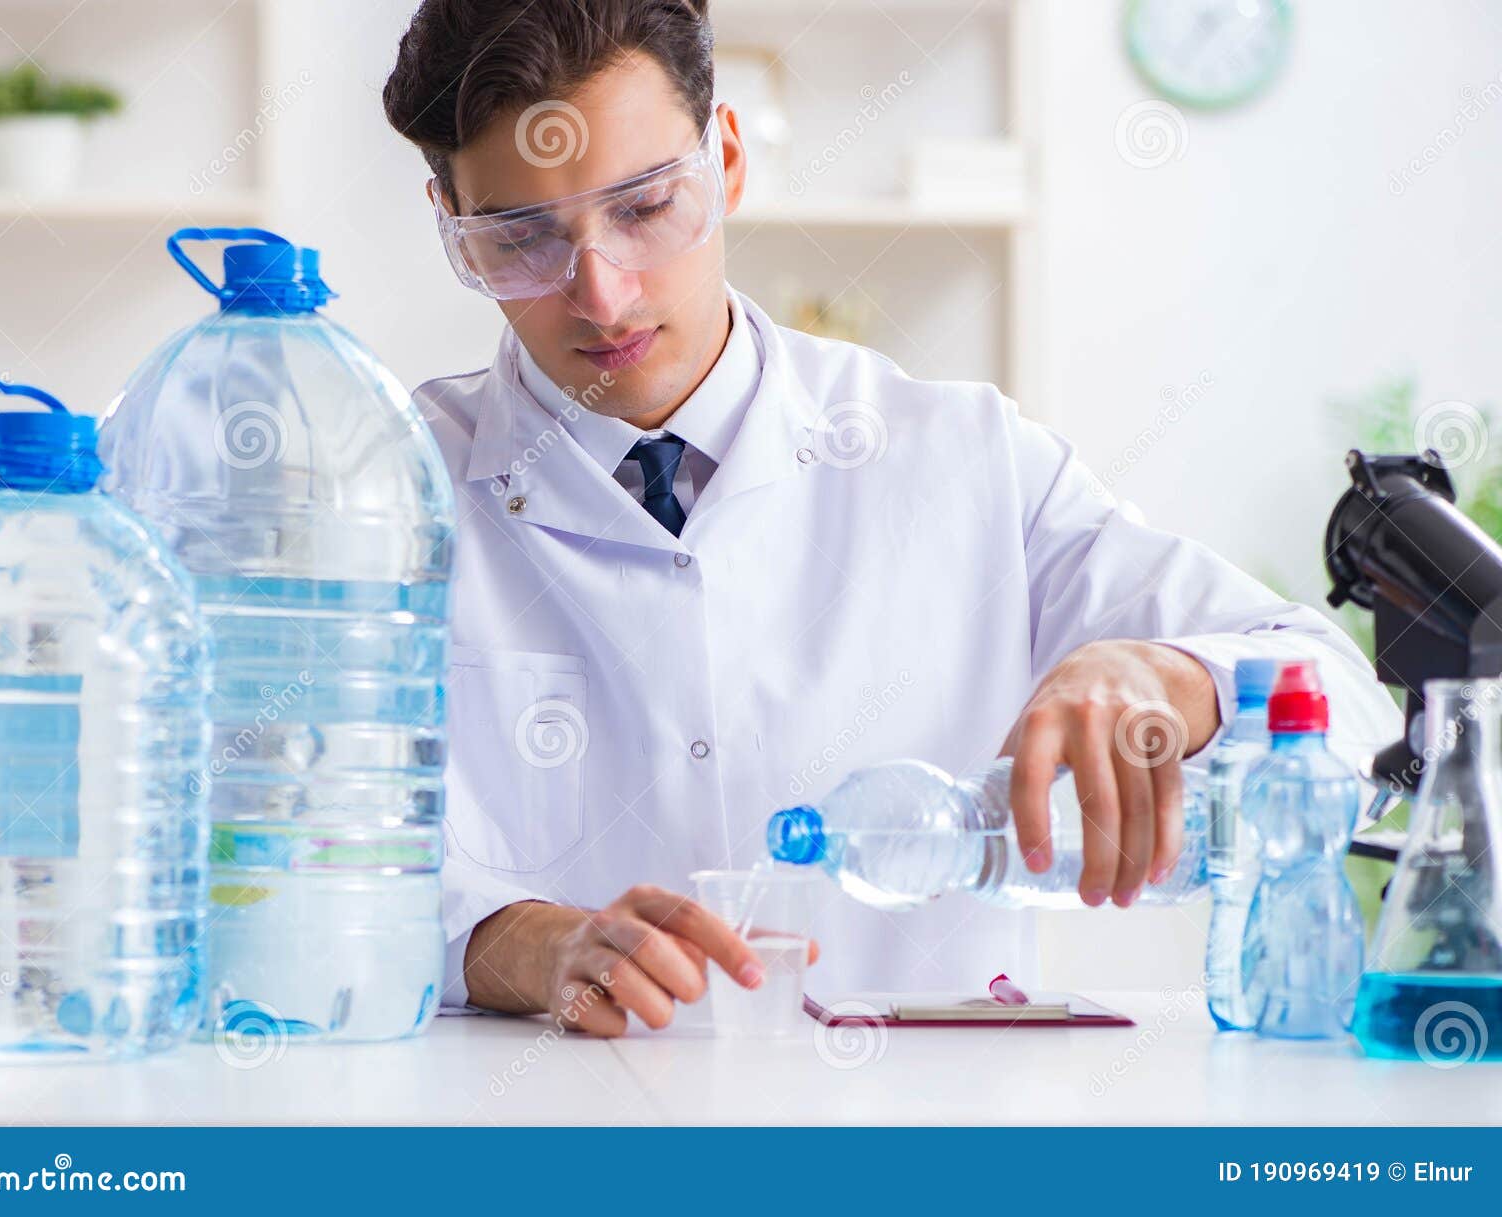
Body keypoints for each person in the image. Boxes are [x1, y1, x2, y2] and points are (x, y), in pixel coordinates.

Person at [382, 0, 1400, 1037]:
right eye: (522, 238)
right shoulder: (381, 493)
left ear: (726, 160)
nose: (601, 292)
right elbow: (262, 855)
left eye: (644, 209)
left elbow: (1357, 715)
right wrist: (517, 939)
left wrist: (1171, 679)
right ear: (452, 233)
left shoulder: (963, 459)